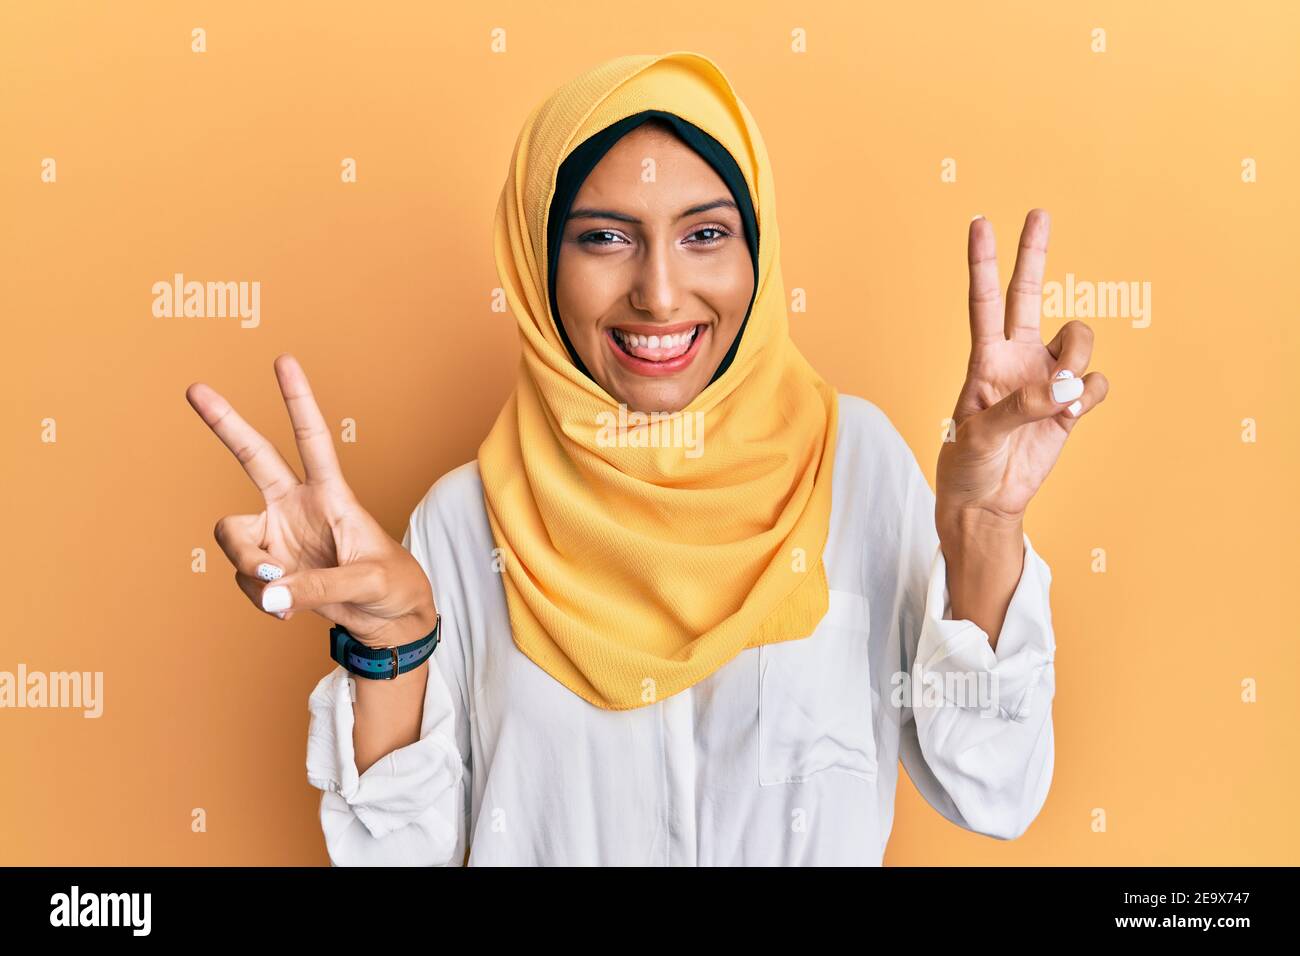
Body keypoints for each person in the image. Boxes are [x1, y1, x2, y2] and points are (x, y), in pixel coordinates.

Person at [185, 50, 1107, 865]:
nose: (660, 294)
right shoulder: (467, 527)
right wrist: (392, 645)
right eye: (604, 237)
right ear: (537, 262)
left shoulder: (855, 465)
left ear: (759, 253)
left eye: (706, 234)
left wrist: (984, 528)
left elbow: (993, 791)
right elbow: (398, 862)